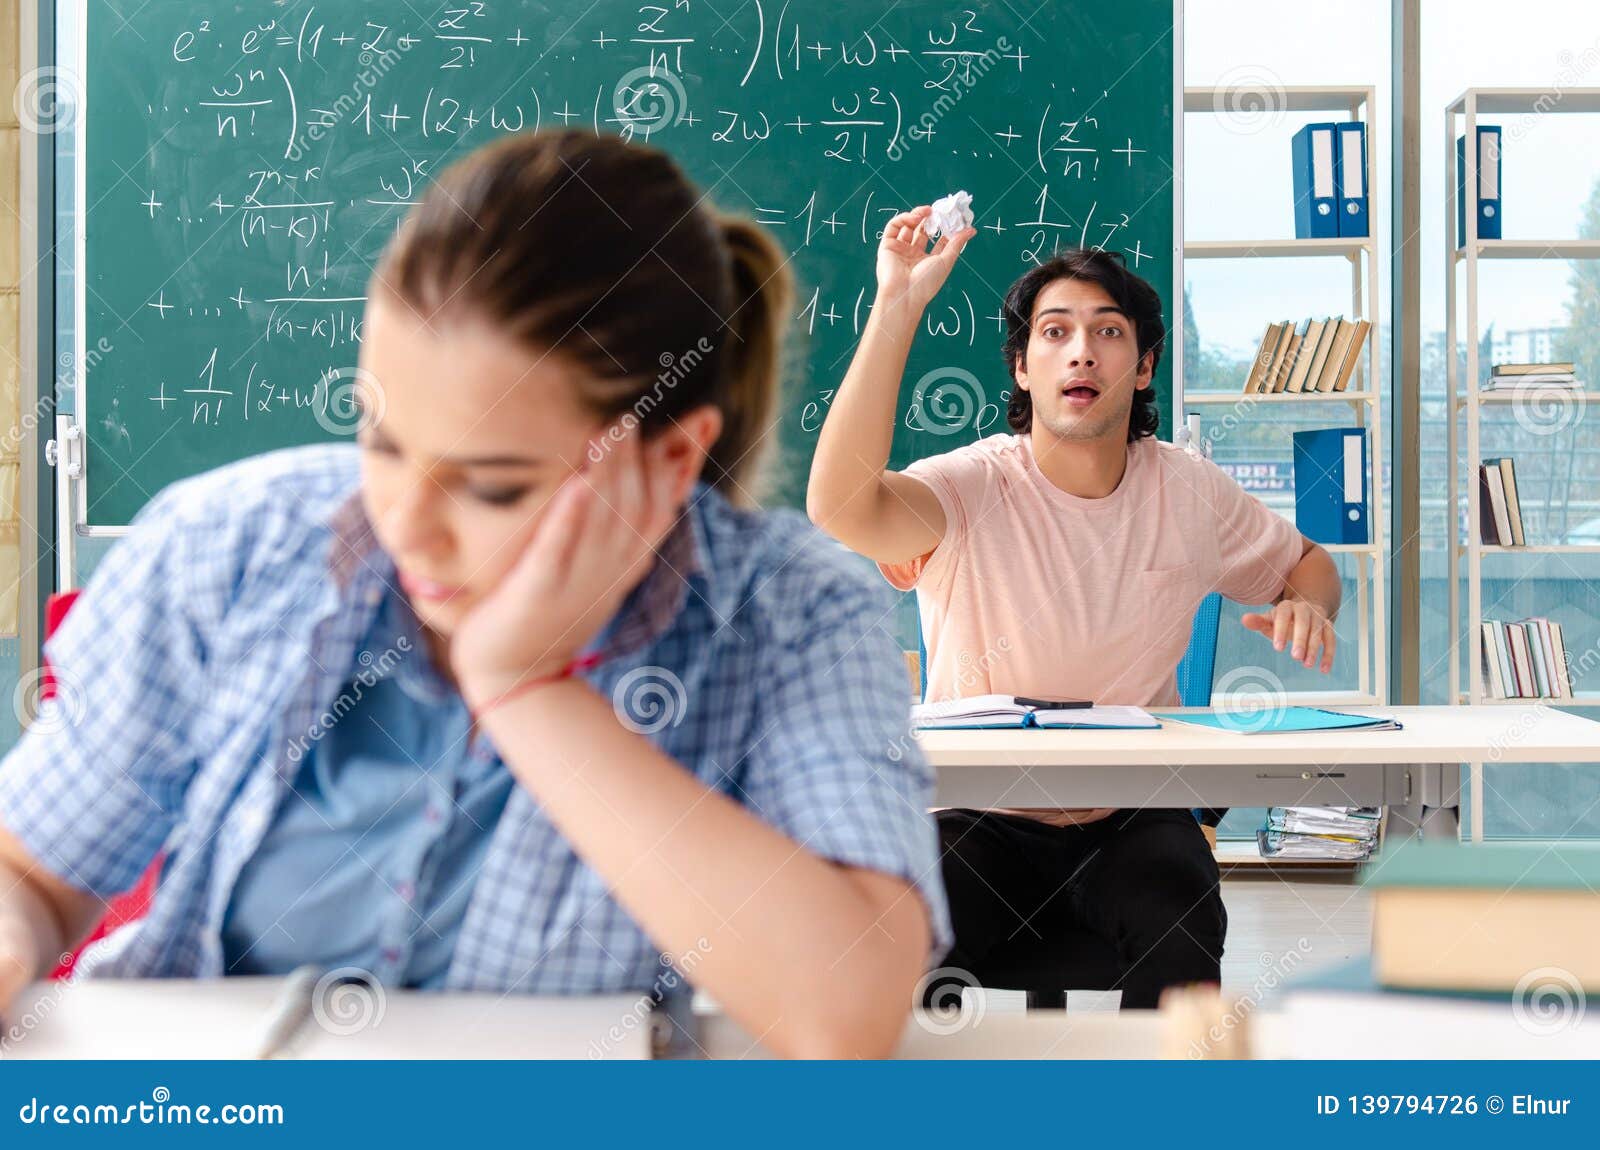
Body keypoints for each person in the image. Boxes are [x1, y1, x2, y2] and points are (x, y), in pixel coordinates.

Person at [0, 131, 950, 1059]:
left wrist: (524, 685)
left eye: (491, 484)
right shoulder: (227, 545)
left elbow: (844, 1016)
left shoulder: (793, 613)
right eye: (380, 440)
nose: (406, 524)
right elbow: (31, 872)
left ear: (669, 459)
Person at [806, 206, 1343, 1008]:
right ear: (1022, 368)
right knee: (900, 933)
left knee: (1180, 916)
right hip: (978, 815)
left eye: (1108, 331)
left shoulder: (1190, 489)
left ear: (1145, 365)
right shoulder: (970, 484)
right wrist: (897, 305)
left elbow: (1308, 564)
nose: (1081, 350)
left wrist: (1312, 607)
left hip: (1133, 815)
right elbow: (839, 506)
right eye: (1053, 332)